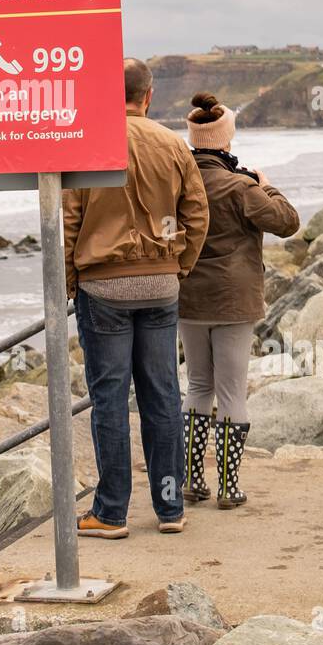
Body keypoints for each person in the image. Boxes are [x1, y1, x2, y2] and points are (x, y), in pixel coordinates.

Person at [63, 59, 209, 537]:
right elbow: (197, 213)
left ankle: (110, 512)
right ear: (148, 97)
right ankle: (170, 508)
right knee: (163, 395)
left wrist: (70, 282)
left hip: (104, 285)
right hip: (162, 283)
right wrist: (178, 264)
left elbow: (68, 222)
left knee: (109, 400)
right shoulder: (172, 145)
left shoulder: (89, 144)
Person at [178, 92, 299, 510]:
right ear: (226, 139)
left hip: (189, 298)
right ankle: (229, 487)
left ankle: (193, 480)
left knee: (197, 385)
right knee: (231, 392)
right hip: (233, 301)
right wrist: (268, 185)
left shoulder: (181, 181)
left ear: (194, 139)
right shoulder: (241, 185)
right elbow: (288, 222)